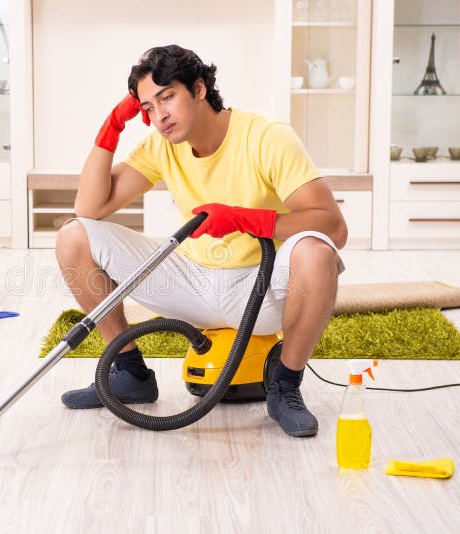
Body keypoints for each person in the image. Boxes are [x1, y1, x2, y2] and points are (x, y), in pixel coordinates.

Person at [55, 45, 347, 437]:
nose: (159, 116)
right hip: (190, 281)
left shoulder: (266, 137)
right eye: (147, 107)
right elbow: (90, 208)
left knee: (316, 251)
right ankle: (130, 374)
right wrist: (112, 126)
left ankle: (285, 385)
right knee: (74, 235)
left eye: (167, 97)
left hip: (260, 290)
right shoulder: (163, 145)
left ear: (199, 88)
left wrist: (247, 219)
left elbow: (334, 226)